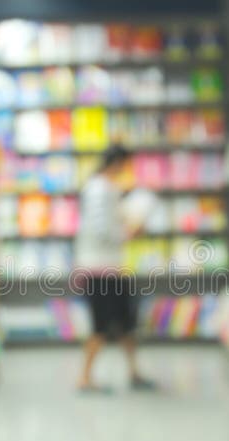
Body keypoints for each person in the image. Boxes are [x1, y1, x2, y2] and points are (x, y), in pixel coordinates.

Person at [75, 145, 156, 393]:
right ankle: (85, 379)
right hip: (99, 268)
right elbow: (101, 230)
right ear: (117, 162)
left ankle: (134, 372)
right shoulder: (99, 189)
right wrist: (127, 233)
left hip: (111, 266)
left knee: (125, 322)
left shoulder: (105, 188)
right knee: (100, 325)